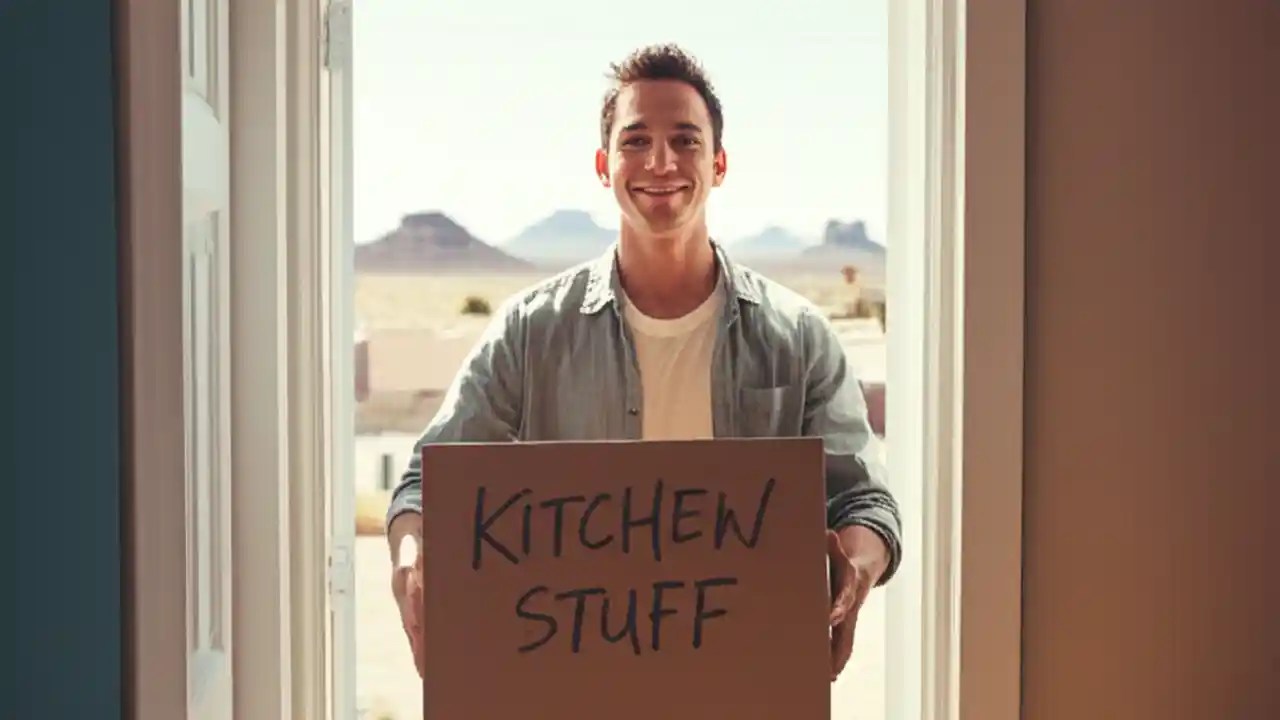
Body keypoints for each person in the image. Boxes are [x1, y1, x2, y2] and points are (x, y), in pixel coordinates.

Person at [386, 43, 902, 683]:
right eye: (636, 141)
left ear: (718, 163)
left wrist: (856, 566)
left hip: (745, 686)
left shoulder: (798, 336)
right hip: (576, 691)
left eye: (686, 141)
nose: (661, 161)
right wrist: (413, 558)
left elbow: (865, 501)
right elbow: (424, 487)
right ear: (604, 166)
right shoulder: (529, 333)